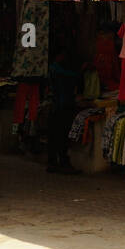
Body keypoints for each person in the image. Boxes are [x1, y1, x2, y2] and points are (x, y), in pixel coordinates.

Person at [46, 44, 81, 174]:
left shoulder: (54, 69)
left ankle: (54, 162)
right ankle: (61, 162)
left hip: (58, 106)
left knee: (55, 136)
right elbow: (71, 76)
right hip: (61, 106)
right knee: (61, 136)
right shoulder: (56, 69)